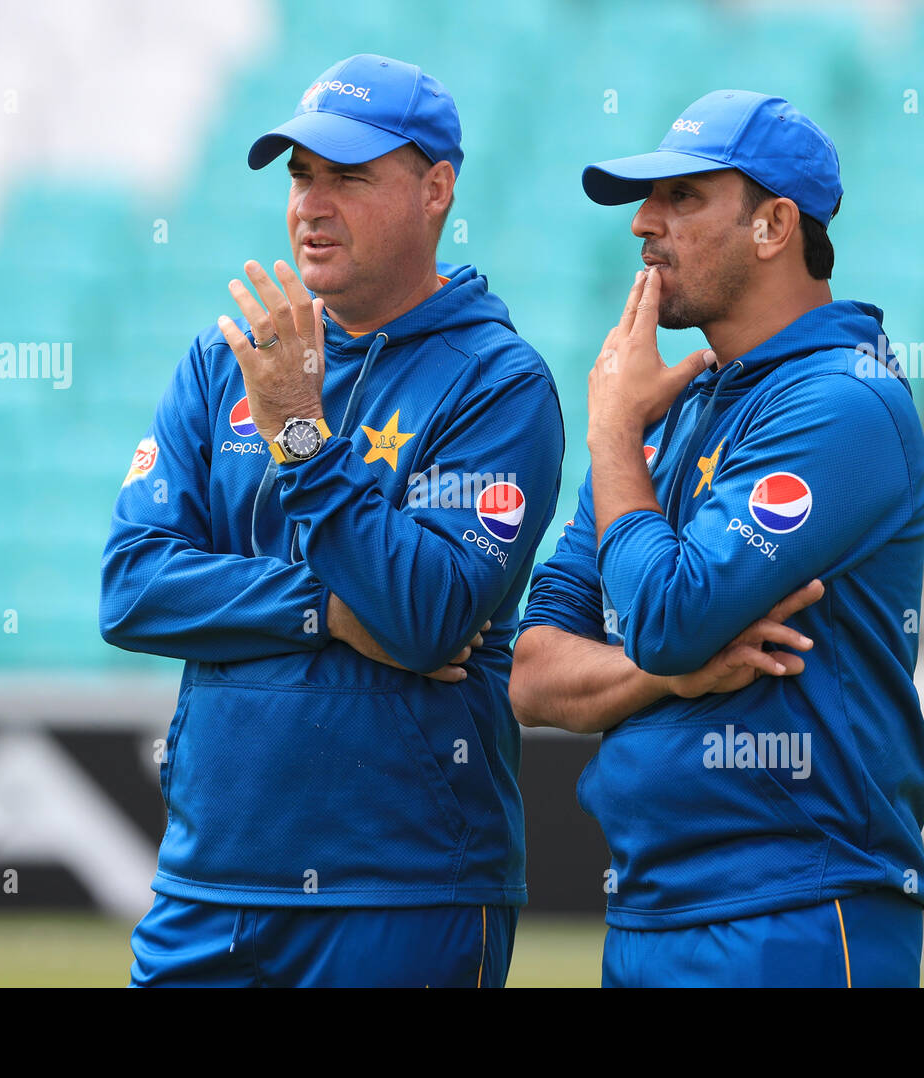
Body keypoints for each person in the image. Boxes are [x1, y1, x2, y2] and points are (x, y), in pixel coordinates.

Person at [99, 54, 566, 987]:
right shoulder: (221, 357)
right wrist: (329, 612)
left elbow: (427, 616)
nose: (312, 203)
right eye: (300, 175)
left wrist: (304, 439)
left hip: (402, 891)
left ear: (437, 189)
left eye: (348, 176)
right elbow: (133, 588)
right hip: (206, 883)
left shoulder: (500, 383)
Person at [510, 90, 924, 988]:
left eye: (683, 198)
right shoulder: (667, 415)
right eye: (646, 199)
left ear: (775, 225)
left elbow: (667, 614)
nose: (642, 224)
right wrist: (664, 673)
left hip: (797, 919)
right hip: (647, 914)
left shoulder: (842, 403)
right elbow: (533, 671)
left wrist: (612, 440)